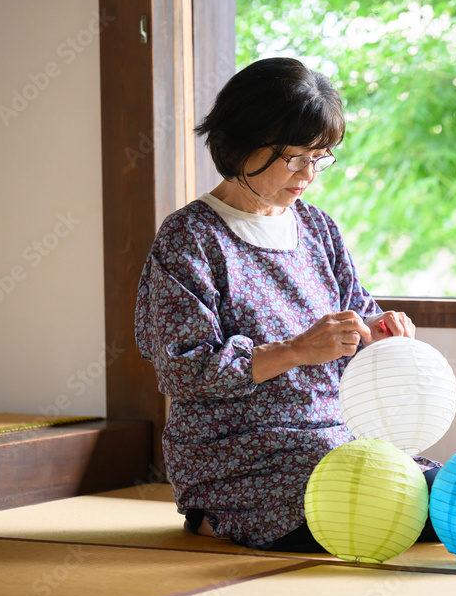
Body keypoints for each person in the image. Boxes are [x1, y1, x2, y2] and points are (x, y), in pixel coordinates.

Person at [134, 57, 439, 551]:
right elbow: (181, 369)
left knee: (445, 497)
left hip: (332, 439)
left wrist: (378, 330)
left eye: (320, 158)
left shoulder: (317, 228)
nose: (309, 175)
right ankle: (215, 511)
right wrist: (296, 349)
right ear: (242, 142)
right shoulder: (189, 237)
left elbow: (356, 314)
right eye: (296, 158)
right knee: (381, 509)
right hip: (238, 453)